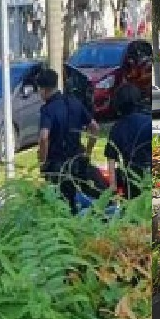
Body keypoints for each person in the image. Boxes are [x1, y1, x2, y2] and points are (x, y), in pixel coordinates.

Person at [37, 67, 103, 213]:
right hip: (78, 160)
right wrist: (88, 151)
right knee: (78, 198)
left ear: (43, 90)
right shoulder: (74, 102)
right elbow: (95, 127)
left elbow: (44, 137)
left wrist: (42, 161)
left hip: (57, 165)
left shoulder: (47, 110)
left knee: (61, 206)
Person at [105, 84, 151, 201]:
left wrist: (113, 188)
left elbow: (111, 160)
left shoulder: (117, 127)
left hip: (131, 179)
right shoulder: (148, 121)